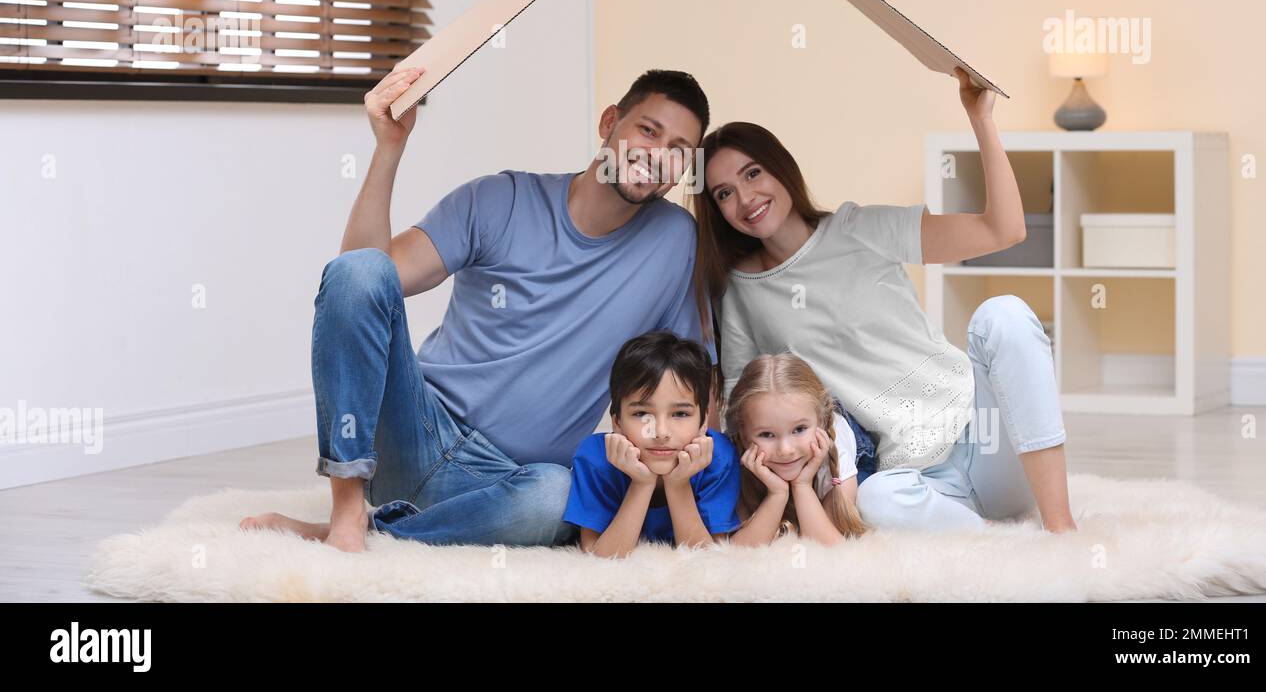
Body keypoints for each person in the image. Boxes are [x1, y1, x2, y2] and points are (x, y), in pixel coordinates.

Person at [240, 67, 716, 550]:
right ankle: (346, 514)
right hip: (412, 430)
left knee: (557, 497)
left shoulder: (676, 241)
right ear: (610, 122)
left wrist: (703, 492)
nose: (657, 155)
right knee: (357, 270)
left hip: (507, 479)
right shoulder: (499, 199)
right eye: (648, 131)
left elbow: (690, 378)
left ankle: (374, 532)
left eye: (678, 150)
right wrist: (389, 148)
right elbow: (365, 275)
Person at [692, 67, 1078, 534]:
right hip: (918, 478)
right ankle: (995, 543)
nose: (746, 198)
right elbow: (742, 400)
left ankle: (1062, 531)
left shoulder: (860, 229)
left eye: (753, 173)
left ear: (781, 168)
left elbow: (1005, 230)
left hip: (988, 436)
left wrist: (981, 119)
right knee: (877, 501)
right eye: (725, 194)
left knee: (1004, 314)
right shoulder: (740, 291)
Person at [563, 331, 741, 558]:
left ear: (703, 421)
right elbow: (599, 558)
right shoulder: (597, 458)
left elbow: (707, 558)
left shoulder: (718, 457)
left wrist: (678, 485)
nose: (661, 432)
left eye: (680, 413)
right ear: (617, 421)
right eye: (642, 414)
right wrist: (641, 484)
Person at [723, 352, 867, 546]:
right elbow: (736, 551)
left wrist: (802, 485)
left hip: (858, 450)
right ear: (743, 434)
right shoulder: (731, 455)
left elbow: (830, 548)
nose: (786, 450)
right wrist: (777, 494)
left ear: (822, 423)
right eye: (766, 434)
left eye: (799, 429)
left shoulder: (834, 452)